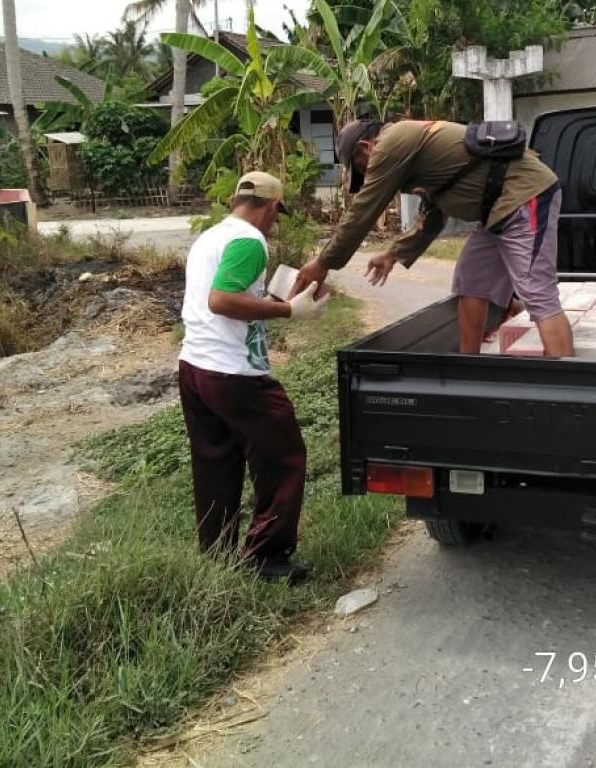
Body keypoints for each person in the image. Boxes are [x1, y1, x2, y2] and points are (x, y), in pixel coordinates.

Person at [295, 119, 574, 357]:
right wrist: (393, 254)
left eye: (362, 169)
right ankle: (469, 368)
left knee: (537, 293)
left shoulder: (390, 144)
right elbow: (433, 215)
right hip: (497, 211)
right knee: (471, 282)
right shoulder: (411, 147)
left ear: (366, 147)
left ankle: (568, 385)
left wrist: (323, 263)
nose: (367, 175)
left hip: (525, 196)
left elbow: (362, 213)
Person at [179, 170, 328, 584]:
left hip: (195, 367)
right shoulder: (249, 240)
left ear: (236, 201)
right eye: (278, 213)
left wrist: (273, 298)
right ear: (273, 206)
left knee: (215, 463)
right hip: (235, 374)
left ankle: (217, 553)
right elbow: (222, 300)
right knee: (284, 458)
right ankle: (266, 557)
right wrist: (288, 310)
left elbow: (223, 297)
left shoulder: (211, 237)